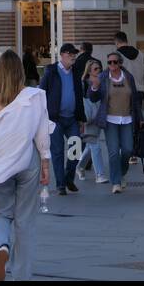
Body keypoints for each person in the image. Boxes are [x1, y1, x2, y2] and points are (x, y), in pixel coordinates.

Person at [0, 49, 52, 282]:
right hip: (28, 162)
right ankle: (22, 275)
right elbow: (42, 134)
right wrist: (45, 163)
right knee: (25, 221)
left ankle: (1, 247)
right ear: (21, 71)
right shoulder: (34, 96)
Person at [89, 49, 143, 194]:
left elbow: (135, 100)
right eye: (109, 62)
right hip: (110, 120)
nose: (112, 64)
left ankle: (121, 172)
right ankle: (116, 182)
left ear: (120, 63)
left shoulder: (128, 77)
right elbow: (93, 97)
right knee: (113, 152)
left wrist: (141, 118)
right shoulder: (103, 77)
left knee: (127, 150)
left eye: (115, 62)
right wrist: (94, 87)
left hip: (127, 119)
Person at [39, 42, 85, 195]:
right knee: (58, 152)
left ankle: (68, 177)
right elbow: (41, 93)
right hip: (55, 119)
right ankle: (61, 185)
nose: (73, 57)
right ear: (62, 55)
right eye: (70, 54)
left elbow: (79, 96)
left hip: (72, 118)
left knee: (76, 148)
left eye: (74, 54)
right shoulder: (51, 71)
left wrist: (81, 118)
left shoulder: (76, 71)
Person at [77, 59, 108, 183]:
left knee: (90, 144)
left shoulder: (103, 82)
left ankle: (79, 167)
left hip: (99, 115)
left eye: (99, 68)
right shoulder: (84, 83)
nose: (98, 70)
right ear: (89, 71)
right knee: (95, 145)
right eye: (95, 69)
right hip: (88, 118)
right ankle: (99, 174)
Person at [113, 31, 144, 103]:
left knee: (124, 114)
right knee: (137, 114)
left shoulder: (116, 55)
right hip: (139, 91)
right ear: (126, 40)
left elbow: (114, 74)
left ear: (116, 42)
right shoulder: (141, 54)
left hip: (123, 91)